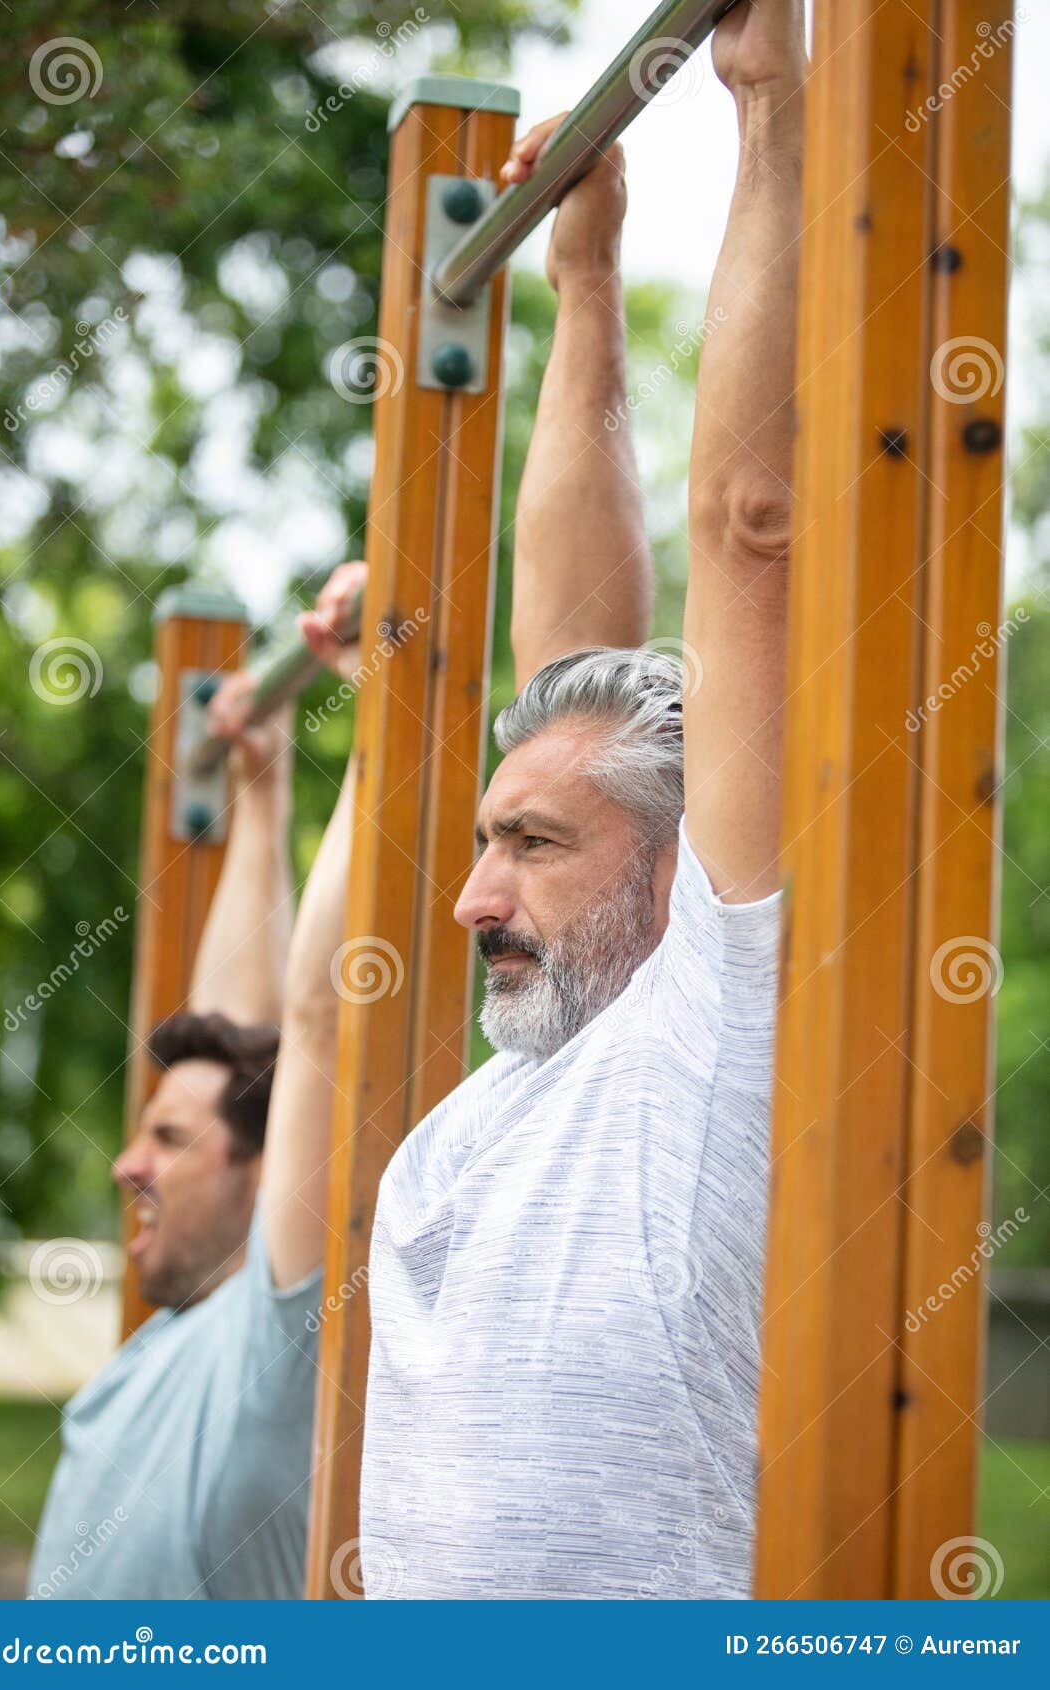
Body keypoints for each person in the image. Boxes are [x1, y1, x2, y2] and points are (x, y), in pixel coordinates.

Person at [358, 0, 805, 1598]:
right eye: (490, 838)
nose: (475, 894)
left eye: (530, 847)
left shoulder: (708, 1019)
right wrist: (583, 279)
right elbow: (574, 648)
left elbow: (750, 527)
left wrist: (769, 113)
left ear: (688, 864)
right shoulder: (521, 1083)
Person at [28, 564, 366, 1600]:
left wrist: (383, 698)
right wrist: (259, 790)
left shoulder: (272, 1347)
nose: (127, 1159)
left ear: (266, 1176)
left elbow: (312, 1016)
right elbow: (241, 1037)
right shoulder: (174, 1343)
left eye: (170, 1141)